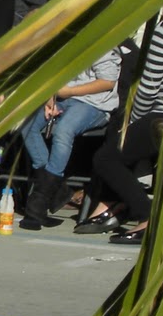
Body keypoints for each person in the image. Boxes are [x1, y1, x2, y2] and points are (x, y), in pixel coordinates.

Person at [73, 0, 163, 245]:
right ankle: (111, 205)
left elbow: (150, 85)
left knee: (105, 157)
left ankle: (145, 215)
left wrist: (133, 120)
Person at [18, 45, 120, 230]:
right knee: (26, 125)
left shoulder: (104, 44)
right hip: (62, 96)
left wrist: (70, 92)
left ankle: (39, 201)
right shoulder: (67, 41)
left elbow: (108, 82)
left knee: (64, 130)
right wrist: (50, 96)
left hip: (93, 103)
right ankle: (56, 189)